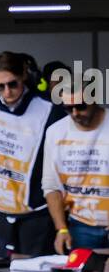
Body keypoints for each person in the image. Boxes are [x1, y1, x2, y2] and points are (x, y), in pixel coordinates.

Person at [0, 51, 61, 256]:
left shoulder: (49, 110)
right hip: (0, 209)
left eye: (12, 84)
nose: (7, 92)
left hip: (36, 213)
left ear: (23, 75)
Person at [43, 94, 109, 251]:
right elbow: (51, 185)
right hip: (81, 225)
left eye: (80, 106)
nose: (75, 113)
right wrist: (62, 229)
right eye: (68, 108)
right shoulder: (55, 132)